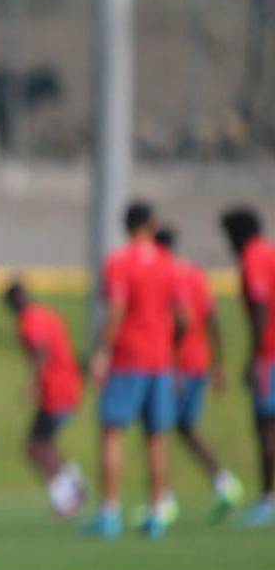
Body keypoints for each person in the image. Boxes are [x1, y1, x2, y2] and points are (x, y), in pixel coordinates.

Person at [84, 200, 187, 539]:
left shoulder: (120, 262)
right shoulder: (168, 263)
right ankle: (157, 513)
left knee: (113, 432)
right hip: (160, 361)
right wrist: (172, 348)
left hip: (128, 359)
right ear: (152, 224)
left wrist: (101, 352)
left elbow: (115, 308)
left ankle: (110, 513)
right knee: (156, 439)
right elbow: (185, 316)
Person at [154, 225, 243, 521]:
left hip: (173, 365)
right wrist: (218, 362)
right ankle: (224, 483)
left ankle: (162, 499)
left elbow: (183, 319)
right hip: (199, 361)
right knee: (185, 427)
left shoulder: (162, 273)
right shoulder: (194, 273)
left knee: (159, 430)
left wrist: (175, 364)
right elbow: (211, 317)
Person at [3, 278, 86, 518]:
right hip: (67, 386)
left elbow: (41, 350)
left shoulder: (30, 320)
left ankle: (66, 497)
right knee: (42, 444)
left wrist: (33, 382)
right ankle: (75, 482)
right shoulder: (47, 314)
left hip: (56, 389)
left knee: (36, 447)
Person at [220, 206, 275, 526]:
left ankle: (268, 498)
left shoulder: (253, 258)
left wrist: (254, 356)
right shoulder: (270, 253)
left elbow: (260, 307)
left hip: (269, 354)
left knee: (266, 426)